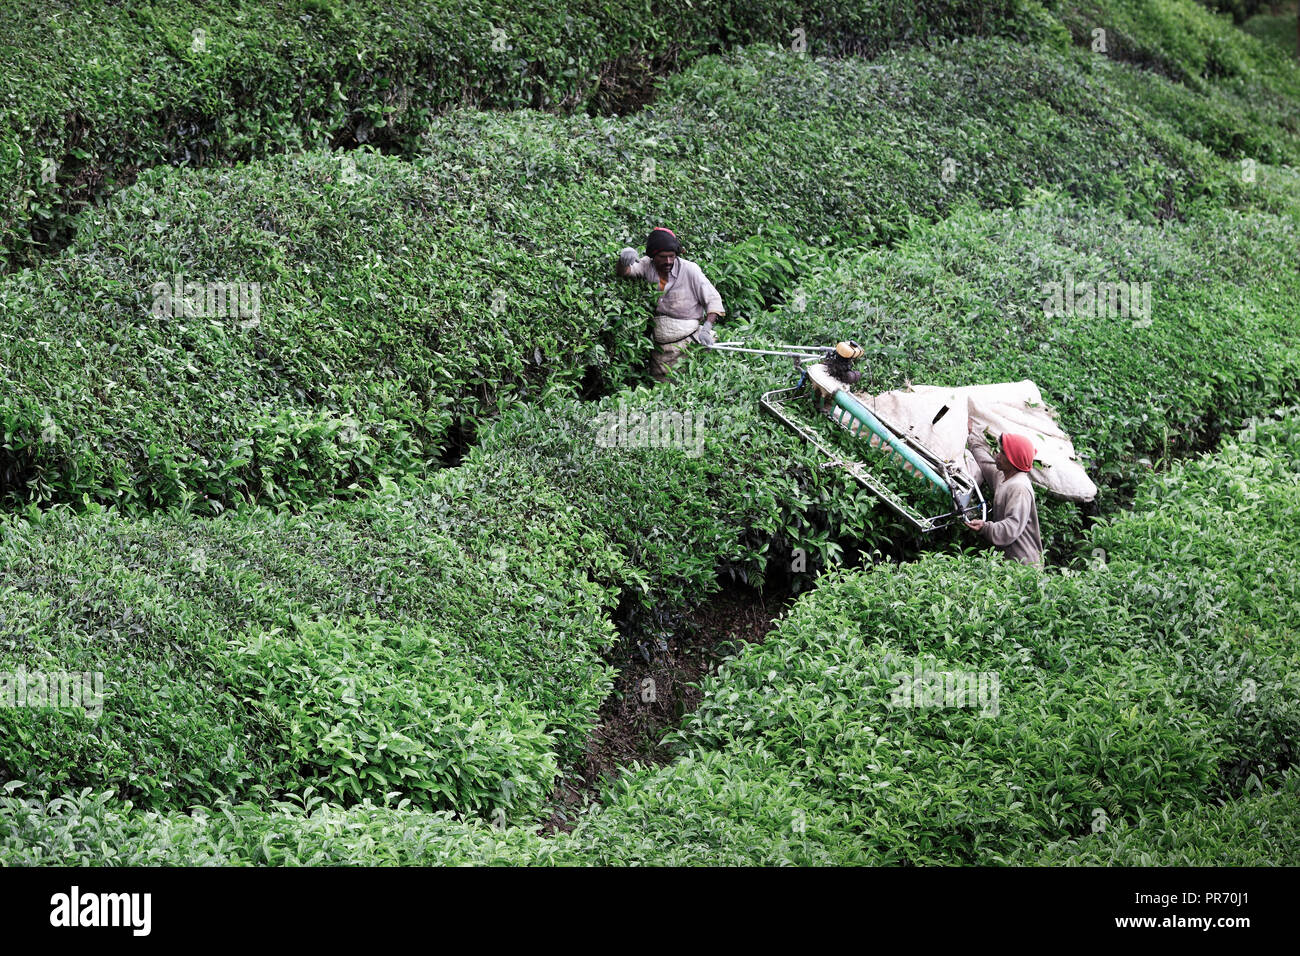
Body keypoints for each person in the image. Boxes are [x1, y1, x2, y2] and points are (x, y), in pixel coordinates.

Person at [616, 227, 725, 382]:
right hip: (663, 348)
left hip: (690, 340)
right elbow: (626, 272)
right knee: (663, 385)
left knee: (693, 381)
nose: (668, 261)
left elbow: (713, 299)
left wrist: (706, 329)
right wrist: (622, 261)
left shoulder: (690, 269)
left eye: (671, 256)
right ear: (653, 256)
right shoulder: (647, 265)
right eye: (662, 257)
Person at [964, 424, 1043, 567]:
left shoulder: (1019, 488)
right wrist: (970, 436)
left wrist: (985, 527)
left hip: (1024, 567)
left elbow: (1011, 527)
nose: (997, 456)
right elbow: (984, 462)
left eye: (1002, 453)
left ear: (1013, 461)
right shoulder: (1003, 476)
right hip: (1009, 563)